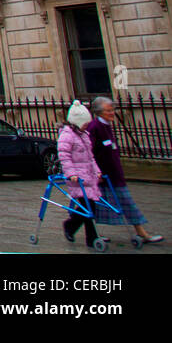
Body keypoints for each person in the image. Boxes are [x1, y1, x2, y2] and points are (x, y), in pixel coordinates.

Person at [87, 96, 163, 244]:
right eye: (108, 110)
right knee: (119, 203)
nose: (112, 113)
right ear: (99, 112)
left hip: (114, 174)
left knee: (99, 204)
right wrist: (96, 171)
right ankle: (141, 233)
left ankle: (84, 231)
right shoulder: (95, 127)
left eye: (112, 110)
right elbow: (89, 152)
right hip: (104, 176)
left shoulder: (107, 125)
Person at [57, 100, 104, 249]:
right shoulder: (67, 135)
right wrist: (71, 174)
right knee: (87, 206)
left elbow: (90, 157)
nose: (87, 125)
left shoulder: (84, 134)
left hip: (88, 175)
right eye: (84, 123)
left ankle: (77, 229)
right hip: (77, 177)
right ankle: (84, 234)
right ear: (76, 122)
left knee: (90, 206)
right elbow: (64, 156)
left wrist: (97, 171)